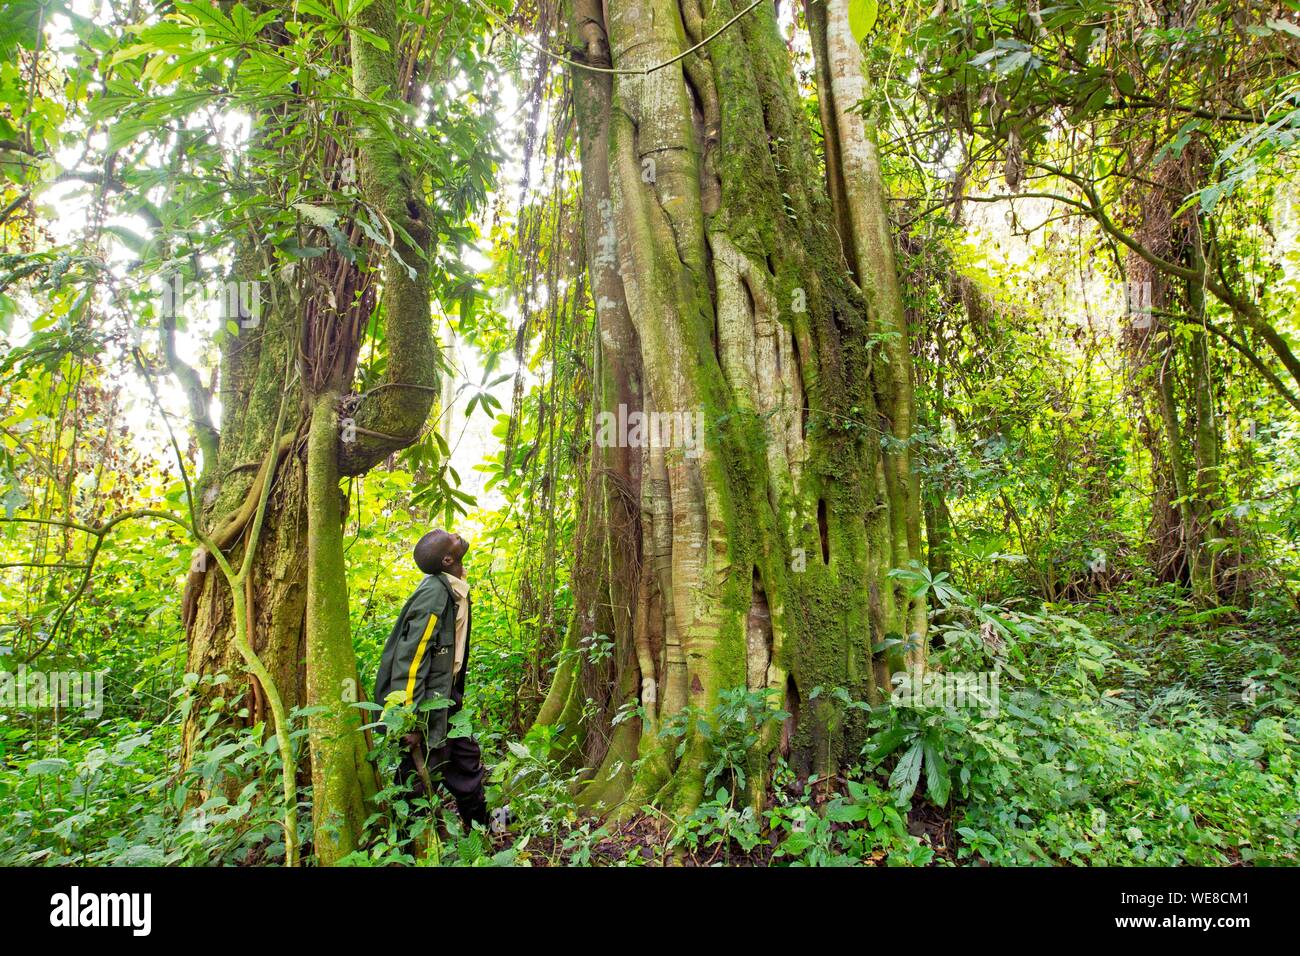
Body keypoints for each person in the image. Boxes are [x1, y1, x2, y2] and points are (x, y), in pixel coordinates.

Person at [373, 528, 488, 829]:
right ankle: (408, 848)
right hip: (423, 709)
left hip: (447, 702)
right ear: (448, 559)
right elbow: (410, 661)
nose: (457, 534)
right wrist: (408, 719)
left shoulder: (452, 588)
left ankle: (486, 832)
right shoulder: (433, 596)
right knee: (415, 781)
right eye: (451, 537)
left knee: (466, 761)